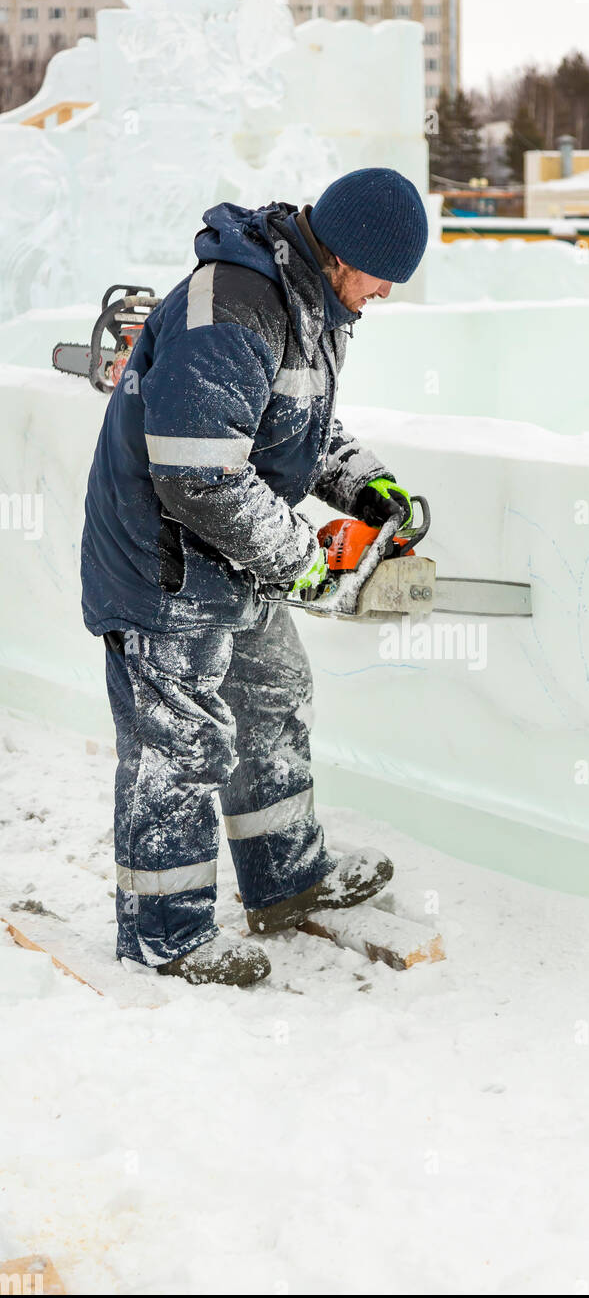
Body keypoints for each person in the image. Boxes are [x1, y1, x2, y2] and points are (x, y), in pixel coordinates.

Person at [80, 167, 428, 987]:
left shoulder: (308, 300)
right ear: (347, 253)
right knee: (181, 745)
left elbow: (287, 423)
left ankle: (286, 880)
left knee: (271, 699)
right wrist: (307, 564)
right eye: (383, 276)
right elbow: (198, 474)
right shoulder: (232, 301)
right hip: (163, 561)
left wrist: (358, 482)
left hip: (232, 553)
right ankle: (166, 936)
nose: (384, 293)